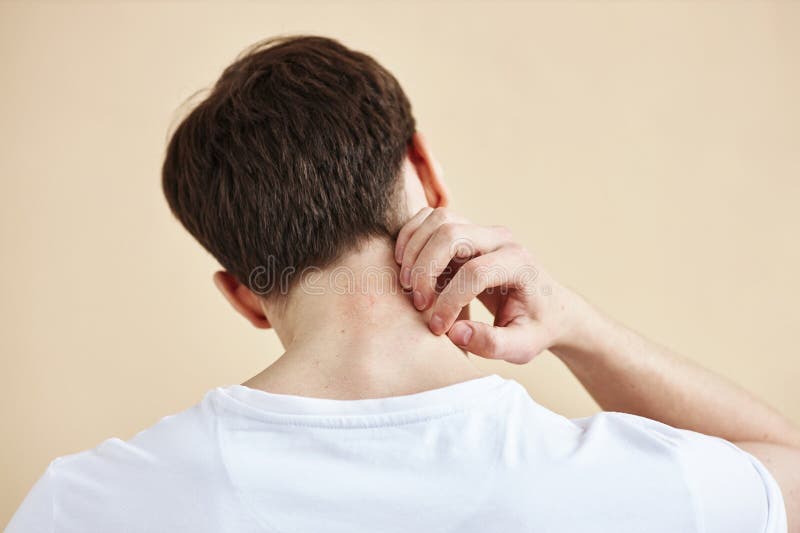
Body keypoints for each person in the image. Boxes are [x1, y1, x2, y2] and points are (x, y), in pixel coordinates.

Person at [7, 35, 798, 533]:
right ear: (425, 167)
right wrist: (576, 324)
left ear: (243, 293)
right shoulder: (639, 487)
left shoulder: (84, 505)